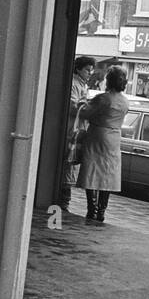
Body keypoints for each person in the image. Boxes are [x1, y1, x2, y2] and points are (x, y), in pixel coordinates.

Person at [77, 67, 130, 223]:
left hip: (97, 134)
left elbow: (85, 113)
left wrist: (82, 102)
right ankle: (102, 210)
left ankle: (91, 208)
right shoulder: (125, 101)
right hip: (114, 138)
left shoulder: (103, 99)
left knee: (92, 168)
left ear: (108, 81)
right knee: (108, 173)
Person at [61, 56, 96, 213]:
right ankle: (63, 202)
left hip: (75, 130)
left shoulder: (82, 85)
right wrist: (86, 109)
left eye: (91, 70)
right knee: (68, 165)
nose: (90, 73)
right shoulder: (75, 85)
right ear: (78, 69)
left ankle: (64, 200)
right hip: (71, 131)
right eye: (87, 70)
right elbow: (73, 107)